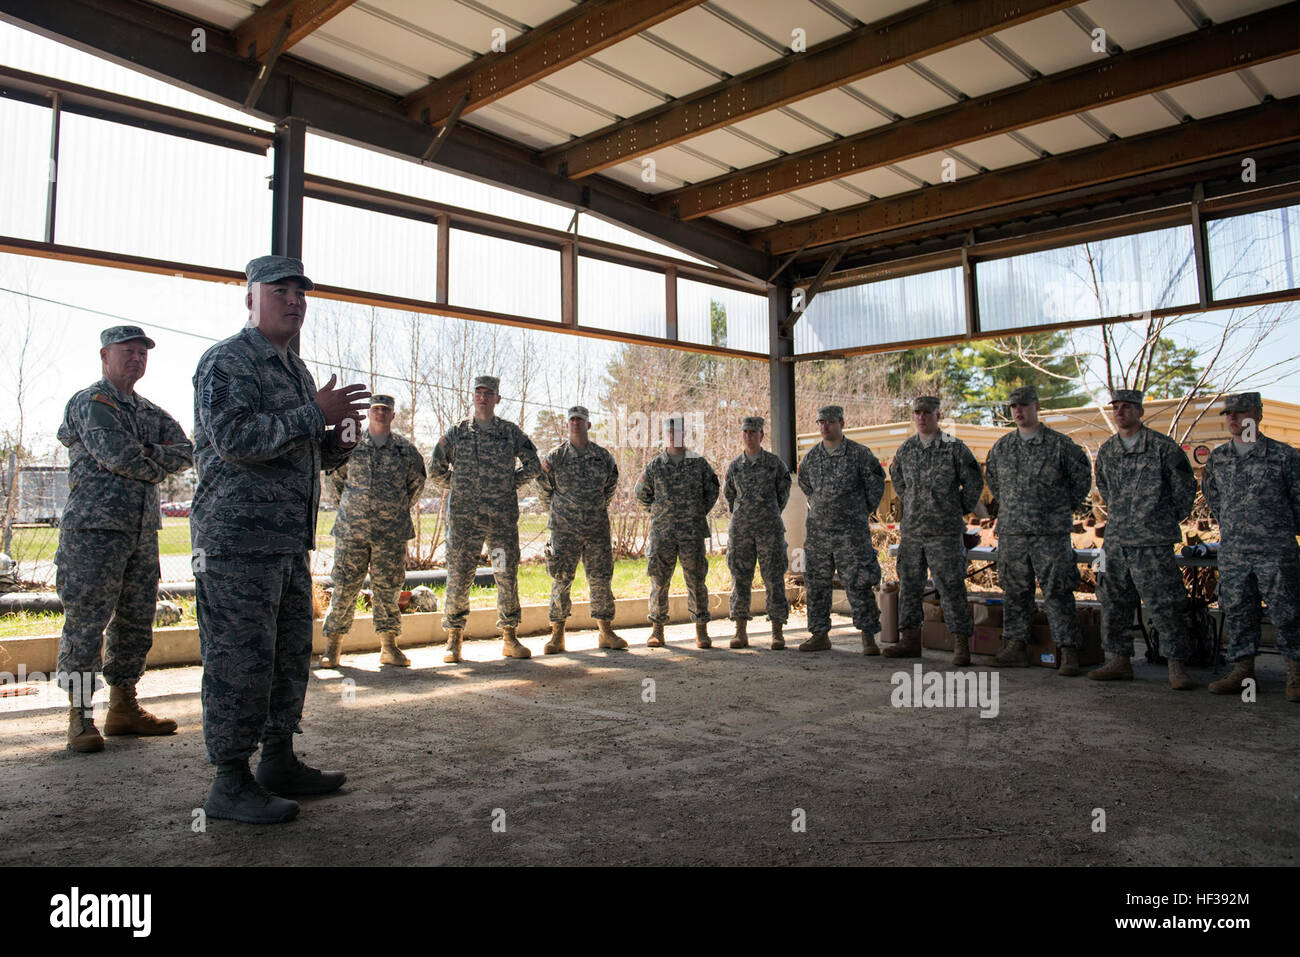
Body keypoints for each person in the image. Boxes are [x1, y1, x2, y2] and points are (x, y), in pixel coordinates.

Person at [192, 255, 369, 824]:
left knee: (288, 657)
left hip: (288, 544)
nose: (294, 299)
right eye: (280, 290)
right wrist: (312, 413)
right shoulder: (227, 362)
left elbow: (306, 452)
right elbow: (235, 439)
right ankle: (229, 781)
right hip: (237, 543)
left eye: (301, 292)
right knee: (238, 661)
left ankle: (278, 759)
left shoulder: (295, 370)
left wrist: (340, 437)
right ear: (251, 298)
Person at [55, 325, 193, 753]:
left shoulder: (148, 410)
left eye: (142, 353)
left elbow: (186, 451)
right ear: (105, 355)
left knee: (135, 621)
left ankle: (123, 707)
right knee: (86, 624)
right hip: (93, 532)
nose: (136, 358)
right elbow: (117, 457)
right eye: (127, 351)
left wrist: (147, 452)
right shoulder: (91, 402)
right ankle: (79, 716)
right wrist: (152, 455)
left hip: (140, 531)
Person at [1089, 390, 1198, 689]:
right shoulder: (1108, 450)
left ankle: (1176, 666)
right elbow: (1105, 489)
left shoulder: (1163, 447)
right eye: (1116, 407)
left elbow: (1184, 489)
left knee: (1165, 603)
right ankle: (1119, 661)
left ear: (1140, 412)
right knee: (1112, 601)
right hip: (1116, 542)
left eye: (1127, 407)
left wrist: (1159, 520)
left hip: (1152, 542)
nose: (1120, 412)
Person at [429, 375, 542, 662]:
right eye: (478, 392)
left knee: (505, 574)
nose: (482, 397)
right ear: (473, 396)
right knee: (460, 575)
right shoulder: (457, 433)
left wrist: (508, 483)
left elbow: (533, 464)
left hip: (500, 520)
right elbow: (435, 468)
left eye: (488, 393)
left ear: (497, 399)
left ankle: (509, 636)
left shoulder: (509, 433)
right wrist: (460, 485)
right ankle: (454, 639)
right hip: (465, 521)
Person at [984, 385, 1093, 670]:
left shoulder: (1060, 445)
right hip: (1013, 534)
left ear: (1037, 407)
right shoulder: (1002, 447)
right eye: (1013, 407)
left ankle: (1068, 650)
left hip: (1050, 533)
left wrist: (1057, 509)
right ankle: (1016, 646)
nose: (1018, 411)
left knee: (1057, 590)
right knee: (1015, 591)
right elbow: (994, 482)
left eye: (1024, 405)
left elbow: (1081, 481)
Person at [1202, 392, 1300, 701]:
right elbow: (1214, 499)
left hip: (1276, 551)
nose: (1233, 418)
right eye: (1228, 414)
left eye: (1240, 411)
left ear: (1257, 414)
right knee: (1239, 612)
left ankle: (1295, 675)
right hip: (1235, 553)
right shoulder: (1218, 458)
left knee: (1288, 613)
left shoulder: (1285, 456)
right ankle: (1242, 672)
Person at [320, 394, 427, 668]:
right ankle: (333, 647)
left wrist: (393, 509)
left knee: (388, 589)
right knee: (344, 586)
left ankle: (389, 647)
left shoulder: (405, 450)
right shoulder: (351, 445)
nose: (380, 413)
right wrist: (352, 507)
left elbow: (415, 484)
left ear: (393, 415)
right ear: (369, 413)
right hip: (352, 530)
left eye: (385, 410)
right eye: (376, 409)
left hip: (390, 533)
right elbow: (335, 482)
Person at [884, 396, 984, 665]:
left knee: (951, 586)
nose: (921, 417)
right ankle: (909, 640)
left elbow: (974, 481)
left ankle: (961, 643)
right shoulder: (906, 449)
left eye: (927, 413)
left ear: (938, 415)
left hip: (945, 532)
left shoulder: (954, 447)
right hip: (914, 532)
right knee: (910, 586)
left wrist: (957, 507)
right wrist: (913, 503)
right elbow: (899, 481)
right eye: (917, 413)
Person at [536, 405, 627, 653]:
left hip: (596, 529)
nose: (576, 423)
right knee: (560, 580)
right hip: (564, 530)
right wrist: (559, 512)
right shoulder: (556, 457)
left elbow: (610, 486)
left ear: (588, 424)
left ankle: (606, 632)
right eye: (572, 420)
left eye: (580, 420)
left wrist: (594, 508)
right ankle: (557, 635)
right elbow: (544, 489)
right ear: (568, 424)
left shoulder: (602, 457)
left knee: (601, 579)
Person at [797, 405, 886, 655]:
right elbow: (806, 485)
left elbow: (875, 487)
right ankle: (819, 634)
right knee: (816, 583)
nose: (825, 426)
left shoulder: (859, 454)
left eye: (830, 422)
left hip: (852, 534)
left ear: (841, 423)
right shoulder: (812, 457)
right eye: (821, 422)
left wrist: (856, 511)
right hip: (818, 534)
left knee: (858, 582)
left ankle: (868, 637)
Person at [634, 415, 720, 649]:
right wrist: (659, 513)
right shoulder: (655, 466)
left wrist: (697, 511)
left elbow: (712, 490)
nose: (675, 435)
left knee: (696, 581)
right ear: (665, 434)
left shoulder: (699, 464)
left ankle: (701, 629)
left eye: (679, 431)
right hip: (663, 535)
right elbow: (641, 494)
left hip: (692, 533)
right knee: (659, 582)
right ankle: (657, 630)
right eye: (670, 432)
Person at [723, 416, 791, 650]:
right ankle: (740, 631)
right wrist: (745, 515)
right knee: (740, 580)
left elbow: (783, 493)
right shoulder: (735, 466)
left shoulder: (774, 464)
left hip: (769, 531)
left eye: (753, 432)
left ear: (762, 435)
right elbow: (730, 494)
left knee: (773, 579)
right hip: (741, 531)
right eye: (745, 432)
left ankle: (777, 632)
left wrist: (768, 514)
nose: (749, 436)